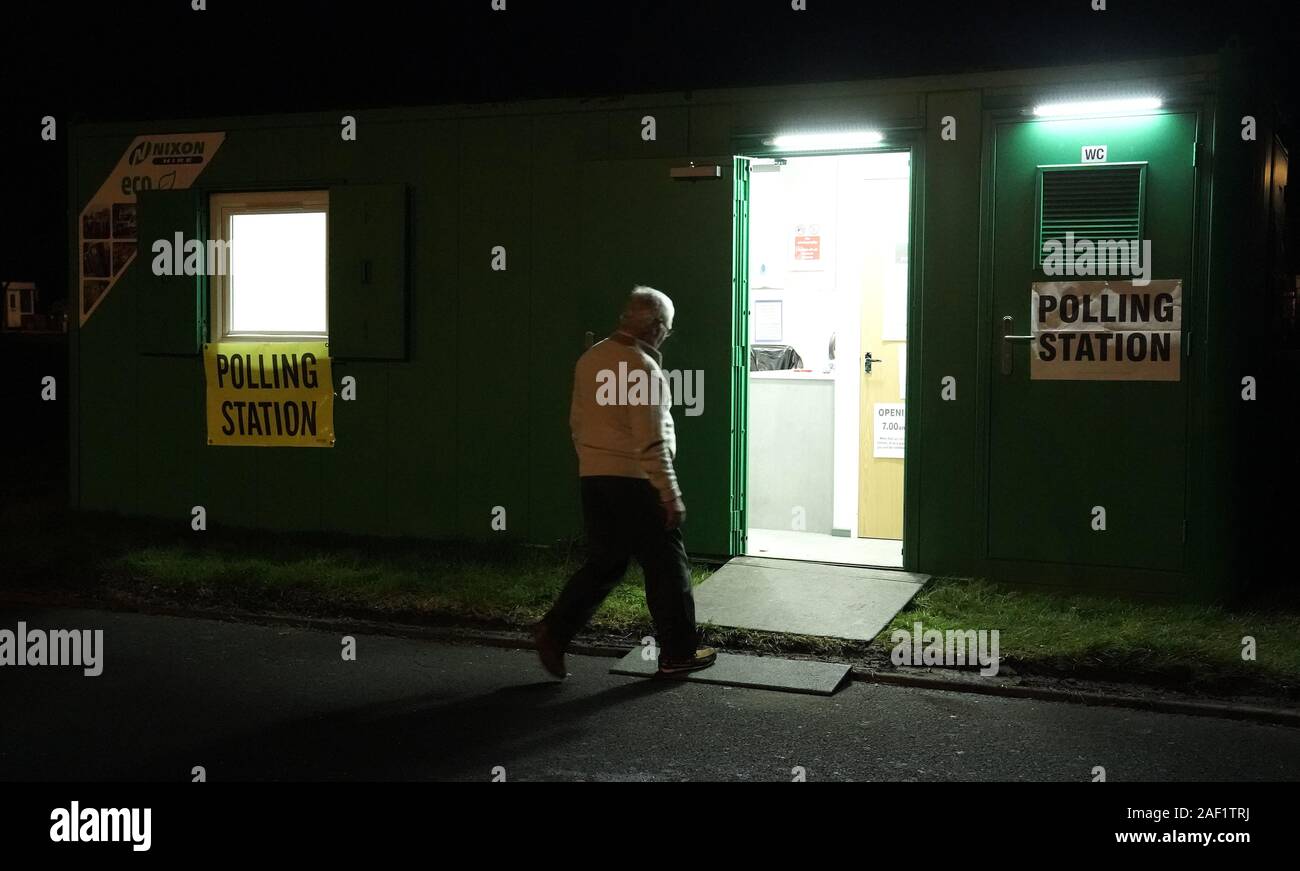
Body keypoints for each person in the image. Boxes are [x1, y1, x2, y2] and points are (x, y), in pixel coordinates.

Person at [534, 286, 716, 678]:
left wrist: (592, 464)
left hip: (595, 479)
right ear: (655, 327)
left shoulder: (590, 359)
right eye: (667, 328)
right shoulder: (643, 368)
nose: (666, 335)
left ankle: (554, 630)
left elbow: (577, 422)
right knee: (668, 567)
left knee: (606, 563)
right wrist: (670, 493)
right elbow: (651, 440)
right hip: (636, 481)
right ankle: (679, 653)